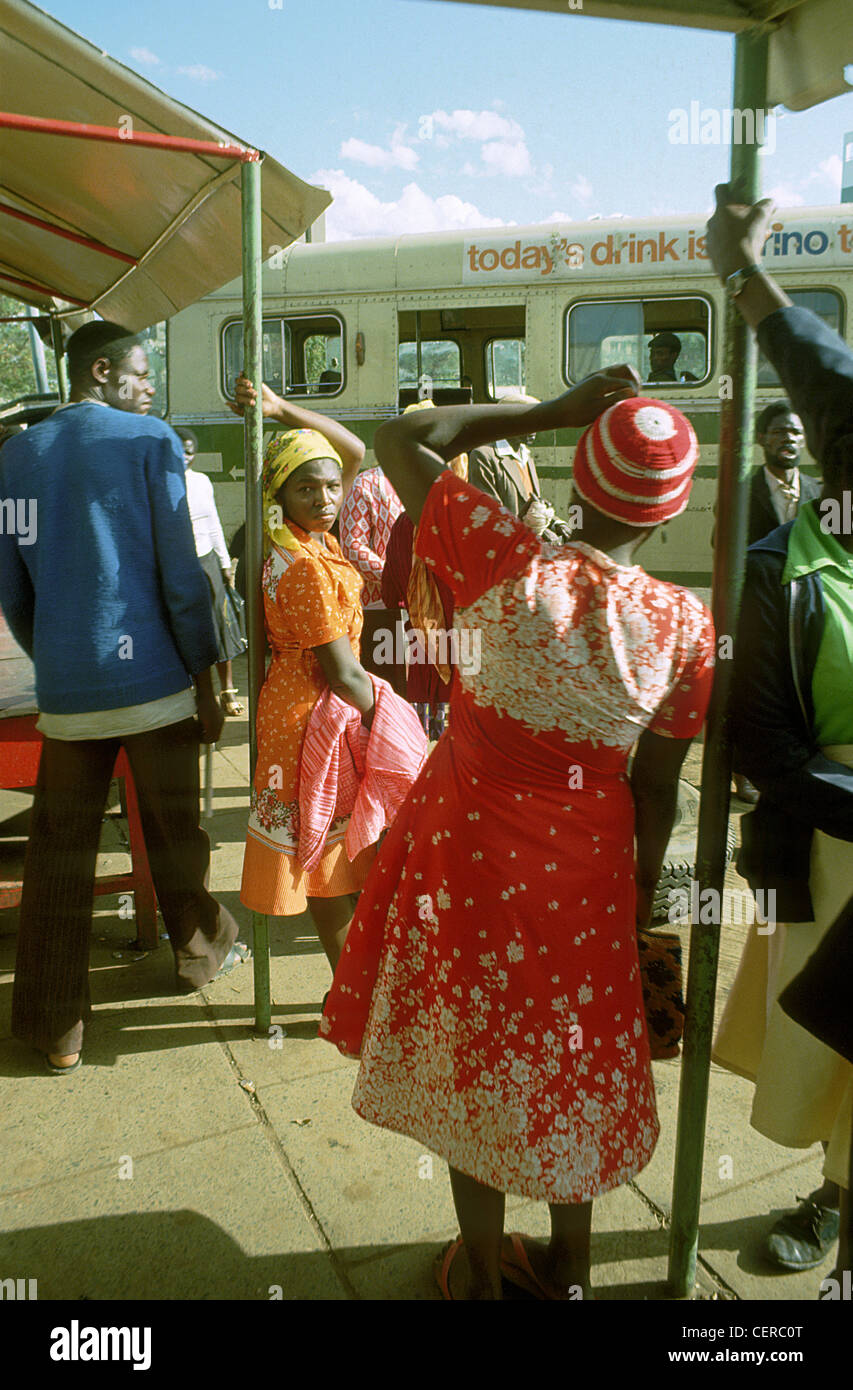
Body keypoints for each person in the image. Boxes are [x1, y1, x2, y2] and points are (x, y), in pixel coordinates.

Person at [320, 374, 715, 1300]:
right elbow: (657, 789)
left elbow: (399, 435)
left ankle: (485, 1280)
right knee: (569, 1052)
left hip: (470, 851)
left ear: (576, 479)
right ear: (667, 518)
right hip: (590, 861)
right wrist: (635, 895)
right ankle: (571, 1269)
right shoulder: (685, 625)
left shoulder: (501, 559)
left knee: (475, 1051)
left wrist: (550, 411)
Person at [0, 321, 246, 1074]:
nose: (148, 388)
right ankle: (196, 954)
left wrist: (63, 657)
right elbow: (181, 574)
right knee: (174, 834)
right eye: (140, 374)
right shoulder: (151, 443)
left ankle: (55, 1029)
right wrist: (205, 673)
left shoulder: (14, 455)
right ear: (101, 371)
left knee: (59, 856)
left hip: (69, 691)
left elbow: (12, 584)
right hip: (154, 685)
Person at [706, 183, 853, 1284]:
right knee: (828, 1034)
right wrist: (744, 277)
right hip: (835, 836)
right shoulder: (790, 567)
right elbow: (756, 738)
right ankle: (838, 1189)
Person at [232, 376, 377, 973]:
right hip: (313, 717)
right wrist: (388, 717)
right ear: (281, 495)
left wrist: (282, 407)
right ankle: (351, 990)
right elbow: (342, 673)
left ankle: (353, 987)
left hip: (302, 710)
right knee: (327, 861)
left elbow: (355, 452)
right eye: (307, 488)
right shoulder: (306, 566)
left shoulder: (301, 543)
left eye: (331, 487)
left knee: (332, 853)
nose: (325, 498)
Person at [732, 402, 821, 803]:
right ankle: (742, 771)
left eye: (797, 434)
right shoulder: (739, 491)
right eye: (781, 432)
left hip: (803, 606)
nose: (790, 440)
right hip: (756, 608)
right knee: (752, 686)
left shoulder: (822, 494)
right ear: (762, 439)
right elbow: (725, 548)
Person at [380, 401, 465, 734]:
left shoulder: (404, 523)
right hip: (464, 641)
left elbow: (391, 589)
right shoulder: (470, 518)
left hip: (421, 638)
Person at [173, 426, 245, 718]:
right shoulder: (159, 483)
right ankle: (194, 692)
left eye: (190, 450)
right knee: (185, 630)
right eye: (179, 449)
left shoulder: (202, 481)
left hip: (208, 562)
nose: (185, 455)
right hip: (177, 565)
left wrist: (225, 564)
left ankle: (227, 692)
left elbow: (214, 522)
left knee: (221, 626)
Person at [467, 393, 571, 542]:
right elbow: (490, 519)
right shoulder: (484, 456)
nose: (535, 430)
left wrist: (555, 522)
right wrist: (537, 531)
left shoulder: (526, 456)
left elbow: (532, 504)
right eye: (529, 422)